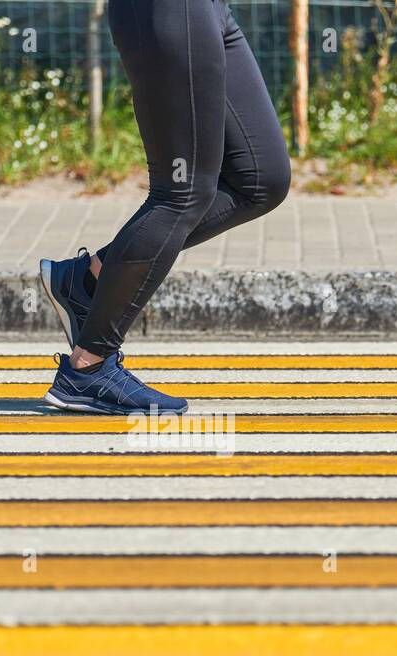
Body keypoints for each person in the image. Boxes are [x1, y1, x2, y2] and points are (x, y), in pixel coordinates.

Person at [39, 0, 291, 414]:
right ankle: (87, 369)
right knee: (182, 191)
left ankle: (89, 279)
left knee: (262, 179)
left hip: (211, 11)